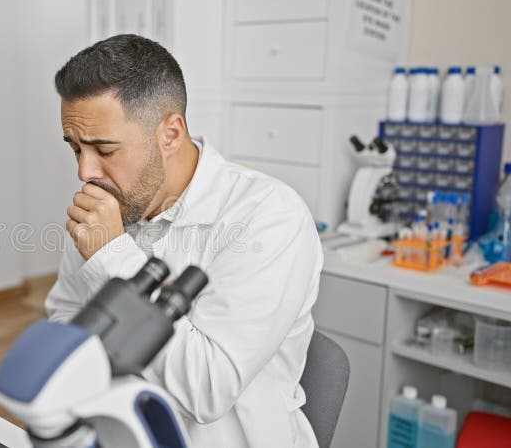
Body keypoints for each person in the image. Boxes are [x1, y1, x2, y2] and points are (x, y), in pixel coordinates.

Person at [44, 34, 323, 448]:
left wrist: (111, 255)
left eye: (104, 149)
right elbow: (64, 329)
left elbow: (207, 392)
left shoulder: (269, 216)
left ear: (171, 133)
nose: (86, 171)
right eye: (76, 148)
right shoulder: (110, 206)